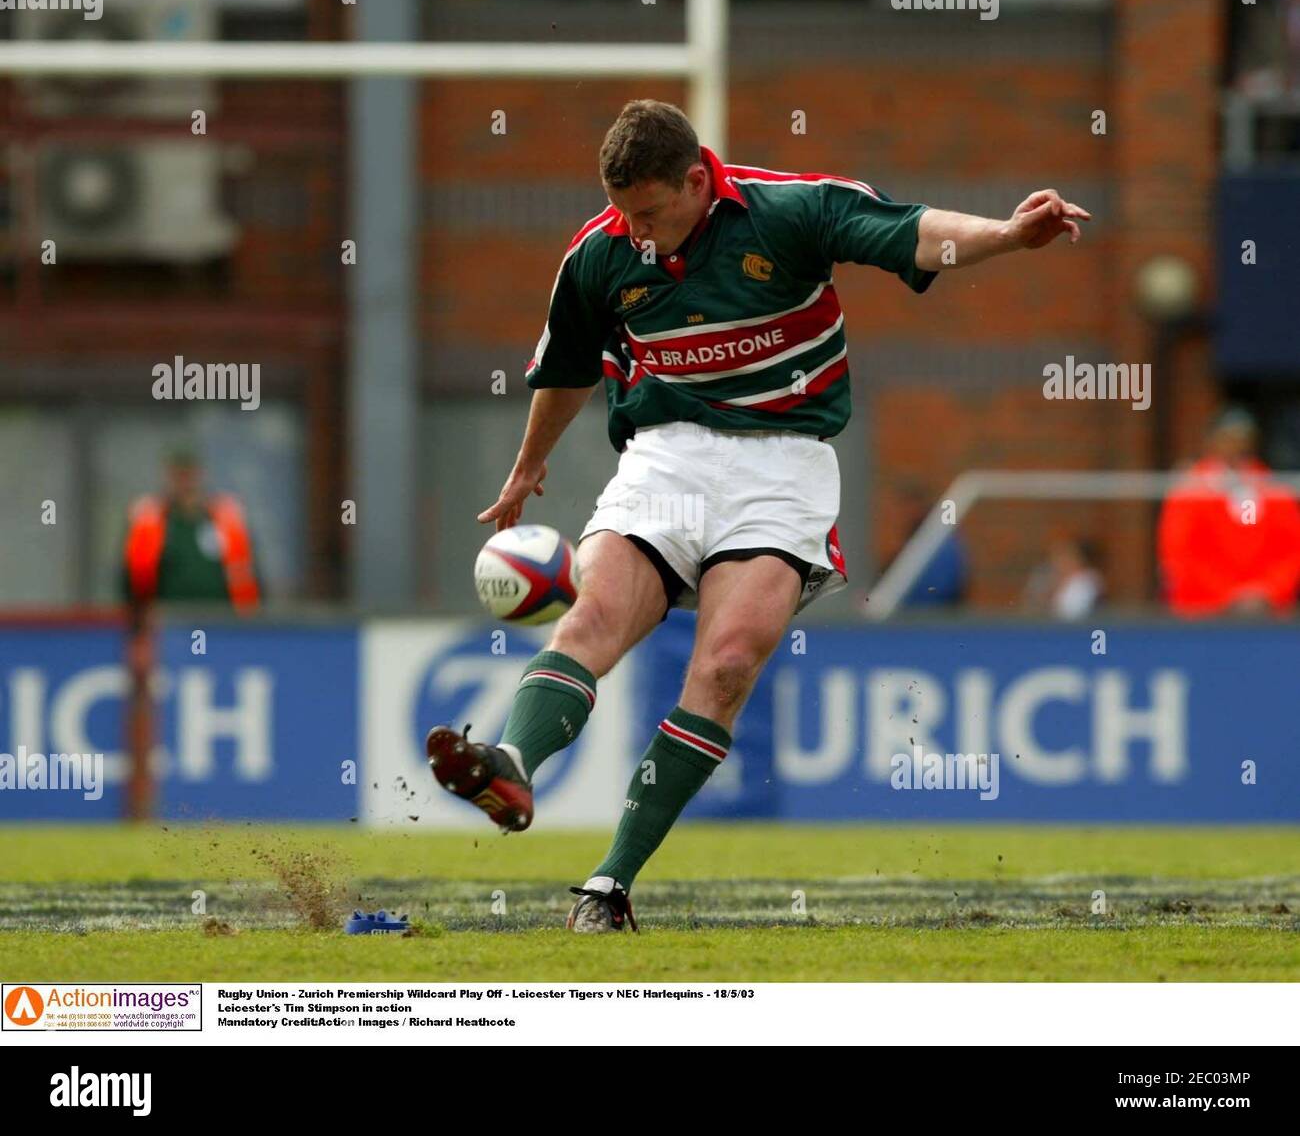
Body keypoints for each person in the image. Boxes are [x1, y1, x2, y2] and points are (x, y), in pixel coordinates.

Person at [426, 99, 1089, 932]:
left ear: (698, 180)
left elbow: (913, 230)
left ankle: (609, 885)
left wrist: (1007, 233)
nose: (634, 231)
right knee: (593, 612)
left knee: (728, 664)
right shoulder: (599, 255)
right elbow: (565, 367)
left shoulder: (789, 210)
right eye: (623, 213)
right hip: (664, 456)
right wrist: (527, 467)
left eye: (650, 213)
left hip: (782, 467)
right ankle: (510, 762)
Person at [1158, 409, 1300, 616]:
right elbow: (1179, 553)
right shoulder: (1190, 490)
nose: (1236, 446)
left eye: (1243, 438)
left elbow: (1292, 549)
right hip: (1202, 616)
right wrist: (1227, 596)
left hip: (1267, 614)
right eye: (1228, 438)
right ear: (1212, 442)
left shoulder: (1273, 488)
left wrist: (1268, 591)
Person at [121, 447, 261, 613]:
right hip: (170, 622)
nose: (185, 482)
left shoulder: (227, 519)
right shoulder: (150, 520)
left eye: (189, 474)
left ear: (201, 475)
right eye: (178, 475)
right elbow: (129, 580)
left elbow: (251, 575)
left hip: (223, 622)